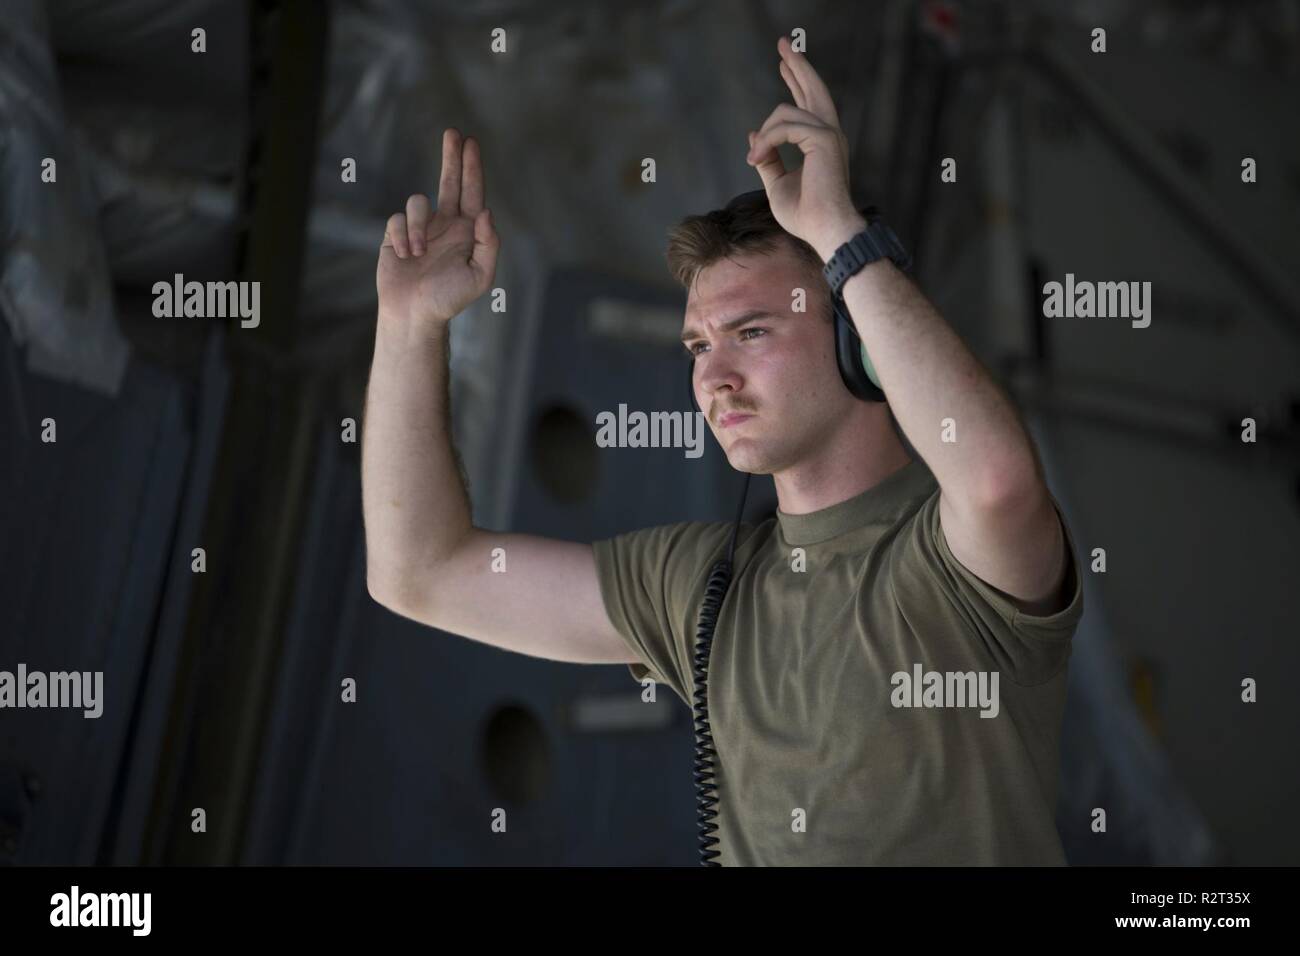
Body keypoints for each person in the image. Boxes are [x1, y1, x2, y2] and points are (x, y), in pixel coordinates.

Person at [362, 37, 1083, 865]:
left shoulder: (956, 562)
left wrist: (840, 234)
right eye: (698, 346)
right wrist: (410, 327)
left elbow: (992, 479)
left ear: (854, 335)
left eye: (750, 332)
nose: (714, 377)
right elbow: (418, 571)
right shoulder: (695, 592)